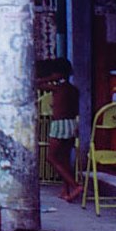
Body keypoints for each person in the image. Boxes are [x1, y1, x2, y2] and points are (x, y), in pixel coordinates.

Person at [37, 58, 84, 202]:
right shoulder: (74, 89)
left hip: (60, 125)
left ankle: (75, 186)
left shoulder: (57, 88)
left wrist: (50, 78)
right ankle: (66, 190)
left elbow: (37, 84)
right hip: (72, 124)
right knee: (64, 158)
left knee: (51, 157)